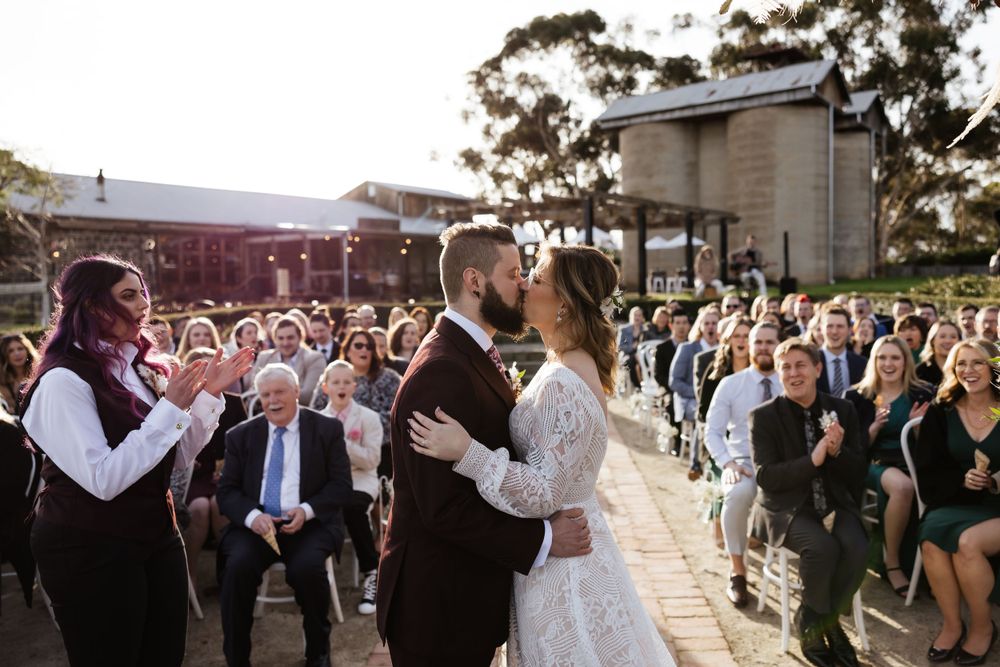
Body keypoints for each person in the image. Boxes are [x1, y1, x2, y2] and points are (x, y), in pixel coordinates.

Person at [406, 240, 673, 666]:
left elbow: (545, 492)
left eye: (537, 277)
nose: (525, 284)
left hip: (564, 565)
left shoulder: (564, 381)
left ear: (564, 302)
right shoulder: (563, 363)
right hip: (562, 549)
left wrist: (468, 452)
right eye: (521, 274)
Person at [375, 224, 594, 666]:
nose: (523, 283)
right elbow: (443, 509)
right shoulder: (442, 371)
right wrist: (545, 537)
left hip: (466, 596)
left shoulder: (470, 353)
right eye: (512, 272)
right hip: (439, 607)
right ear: (474, 281)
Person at [20, 255, 252, 667]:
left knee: (163, 656)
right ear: (92, 306)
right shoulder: (62, 382)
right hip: (88, 545)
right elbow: (104, 478)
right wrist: (171, 408)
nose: (144, 303)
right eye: (129, 295)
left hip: (156, 533)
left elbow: (176, 457)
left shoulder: (137, 369)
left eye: (143, 292)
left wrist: (207, 397)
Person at [216, 363, 352, 667]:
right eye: (265, 394)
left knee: (308, 571)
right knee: (237, 569)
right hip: (257, 525)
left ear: (296, 392)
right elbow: (226, 492)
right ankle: (236, 658)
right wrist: (253, 517)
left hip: (309, 524)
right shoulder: (240, 436)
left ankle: (318, 654)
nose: (272, 400)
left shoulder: (326, 429)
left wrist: (306, 511)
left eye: (279, 392)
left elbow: (342, 486)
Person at [749, 339, 868, 667]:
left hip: (833, 503)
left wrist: (838, 452)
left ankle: (814, 616)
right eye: (785, 366)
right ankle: (820, 628)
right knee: (822, 549)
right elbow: (766, 477)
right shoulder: (763, 417)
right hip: (785, 508)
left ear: (817, 369)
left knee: (857, 547)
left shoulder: (842, 410)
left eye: (800, 365)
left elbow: (859, 472)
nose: (793, 373)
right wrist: (813, 459)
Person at [915, 339, 1000, 665]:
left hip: (997, 506)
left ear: (992, 366)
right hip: (953, 500)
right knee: (932, 538)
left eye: (977, 362)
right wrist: (960, 480)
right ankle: (952, 626)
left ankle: (983, 627)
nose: (969, 370)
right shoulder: (944, 410)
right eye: (961, 363)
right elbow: (928, 470)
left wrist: (994, 481)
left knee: (967, 543)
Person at [845, 336, 932, 597]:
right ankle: (892, 562)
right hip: (876, 463)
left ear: (906, 361)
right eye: (882, 357)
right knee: (903, 487)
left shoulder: (923, 392)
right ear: (873, 361)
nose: (888, 363)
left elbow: (935, 445)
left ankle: (932, 569)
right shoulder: (858, 396)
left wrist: (919, 427)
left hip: (916, 464)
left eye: (895, 357)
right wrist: (872, 429)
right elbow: (850, 448)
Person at [705, 321, 782, 608]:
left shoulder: (790, 381)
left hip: (783, 465)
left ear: (778, 345)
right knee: (736, 494)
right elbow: (712, 430)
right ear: (749, 346)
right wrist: (727, 463)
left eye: (769, 342)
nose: (763, 348)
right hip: (742, 462)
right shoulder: (731, 384)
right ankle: (738, 569)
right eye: (758, 342)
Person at [179, 347, 248, 594]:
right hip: (192, 477)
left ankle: (228, 574)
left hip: (224, 475)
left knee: (221, 506)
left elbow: (244, 445)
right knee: (198, 509)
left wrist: (229, 469)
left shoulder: (234, 402)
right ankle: (190, 574)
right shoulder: (179, 403)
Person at [319, 360, 382, 615]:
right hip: (330, 482)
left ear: (354, 387)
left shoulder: (368, 417)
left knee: (353, 508)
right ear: (326, 388)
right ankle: (319, 572)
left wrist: (343, 443)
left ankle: (372, 573)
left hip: (361, 479)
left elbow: (372, 460)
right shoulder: (318, 420)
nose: (341, 386)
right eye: (336, 382)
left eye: (347, 382)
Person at [312, 328, 401, 482]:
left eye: (369, 346)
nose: (364, 350)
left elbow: (397, 414)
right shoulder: (331, 375)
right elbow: (316, 411)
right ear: (347, 350)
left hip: (379, 447)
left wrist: (363, 427)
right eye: (359, 345)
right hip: (331, 449)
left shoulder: (390, 378)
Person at [250, 316, 326, 406]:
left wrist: (269, 395)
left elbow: (308, 396)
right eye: (281, 338)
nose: (285, 343)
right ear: (274, 339)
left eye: (290, 338)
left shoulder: (314, 358)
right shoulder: (264, 357)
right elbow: (252, 392)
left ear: (300, 337)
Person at [817, 305, 867, 397]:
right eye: (830, 326)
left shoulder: (862, 364)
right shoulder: (811, 361)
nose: (835, 331)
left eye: (840, 326)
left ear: (849, 330)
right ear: (821, 329)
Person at [0, 333, 39, 413]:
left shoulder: (40, 373)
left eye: (20, 348)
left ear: (27, 350)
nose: (17, 353)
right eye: (10, 351)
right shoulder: (2, 381)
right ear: (4, 355)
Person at [917, 320, 962, 388]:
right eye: (942, 336)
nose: (948, 341)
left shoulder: (964, 369)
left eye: (953, 337)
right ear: (932, 341)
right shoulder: (920, 371)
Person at [618, 306, 645, 388]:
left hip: (641, 356)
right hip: (627, 356)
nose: (637, 317)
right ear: (631, 316)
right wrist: (632, 347)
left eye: (639, 315)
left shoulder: (645, 330)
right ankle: (638, 386)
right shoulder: (624, 329)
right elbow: (620, 347)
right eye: (635, 315)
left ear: (642, 317)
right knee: (631, 361)